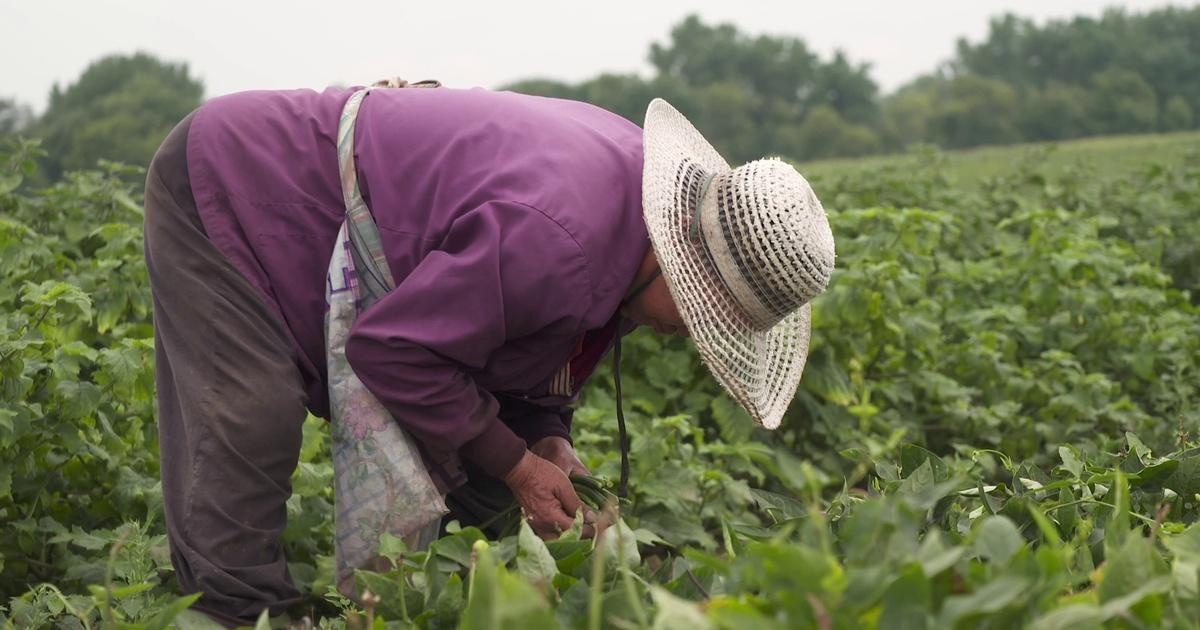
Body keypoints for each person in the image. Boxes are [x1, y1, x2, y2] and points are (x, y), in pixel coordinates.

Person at [142, 82, 834, 626]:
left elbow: (525, 352)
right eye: (702, 315)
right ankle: (238, 616)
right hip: (242, 187)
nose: (692, 333)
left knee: (504, 481)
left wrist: (547, 443)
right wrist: (517, 465)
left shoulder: (635, 229)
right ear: (682, 260)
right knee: (251, 418)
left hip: (364, 227)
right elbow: (397, 353)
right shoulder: (563, 243)